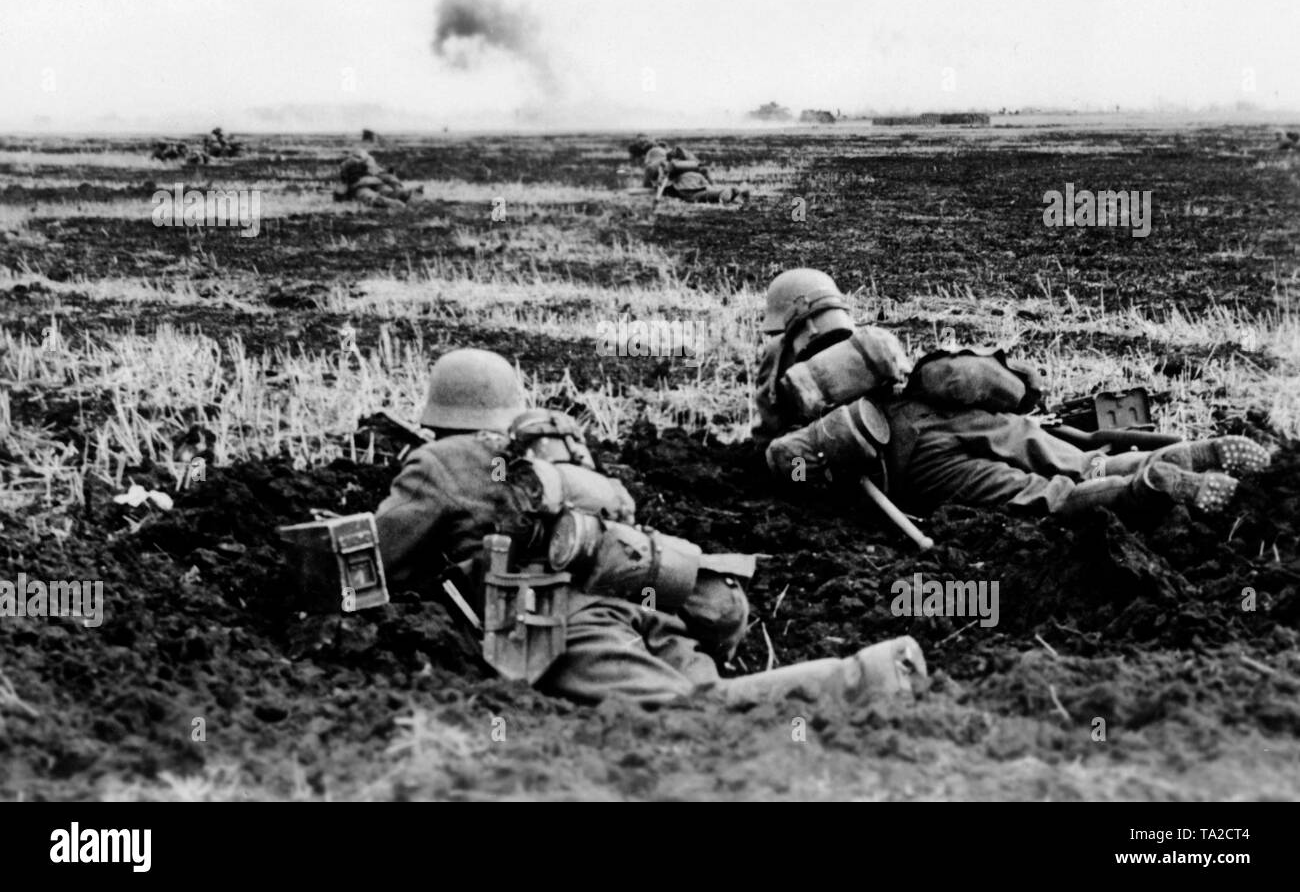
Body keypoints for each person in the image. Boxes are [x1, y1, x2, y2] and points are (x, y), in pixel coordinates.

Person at [374, 347, 926, 708]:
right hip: (636, 595)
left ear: (438, 410)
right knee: (708, 694)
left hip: (557, 622)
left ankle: (870, 678)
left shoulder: (437, 462)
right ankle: (852, 693)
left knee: (679, 716)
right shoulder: (550, 451)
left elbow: (381, 561)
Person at [754, 268, 1271, 519]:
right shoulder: (869, 350)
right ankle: (1185, 455)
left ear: (792, 324)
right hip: (949, 411)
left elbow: (785, 460)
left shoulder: (792, 378)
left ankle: (1154, 486)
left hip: (913, 463)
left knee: (1047, 499)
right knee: (1084, 461)